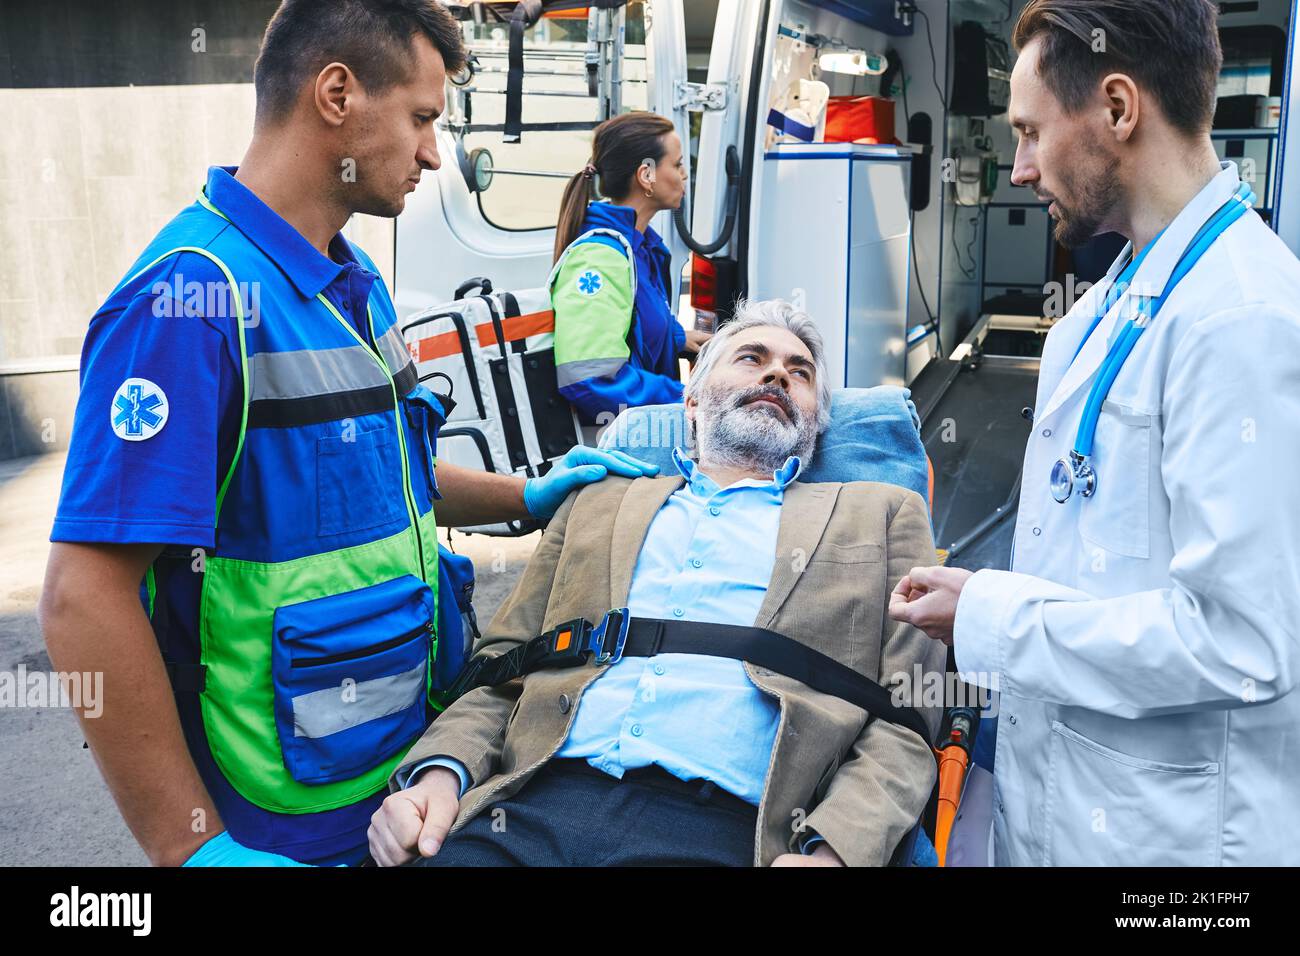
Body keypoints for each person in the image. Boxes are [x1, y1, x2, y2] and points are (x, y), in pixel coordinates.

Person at [38, 0, 655, 868]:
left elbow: (384, 476)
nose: (435, 152)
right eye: (421, 119)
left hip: (399, 781)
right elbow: (82, 599)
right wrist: (195, 850)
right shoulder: (190, 302)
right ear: (337, 95)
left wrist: (529, 494)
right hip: (282, 821)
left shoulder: (352, 278)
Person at [889, 0, 1300, 866]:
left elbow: (1241, 642)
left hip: (1170, 842)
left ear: (1117, 108)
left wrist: (995, 615)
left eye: (1032, 133)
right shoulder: (1119, 298)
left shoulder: (1243, 319)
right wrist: (984, 598)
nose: (1022, 169)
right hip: (1069, 797)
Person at [366, 299, 945, 867]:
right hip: (529, 807)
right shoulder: (600, 500)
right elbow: (500, 667)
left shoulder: (879, 513)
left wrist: (833, 851)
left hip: (727, 827)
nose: (777, 373)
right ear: (691, 401)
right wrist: (439, 776)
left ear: (816, 423)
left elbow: (909, 718)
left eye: (801, 372)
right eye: (751, 357)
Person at [549, 112, 711, 428]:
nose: (683, 175)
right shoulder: (600, 258)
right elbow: (590, 376)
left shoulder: (641, 249)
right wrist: (688, 398)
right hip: (619, 445)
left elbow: (632, 323)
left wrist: (678, 338)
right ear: (646, 175)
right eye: (677, 164)